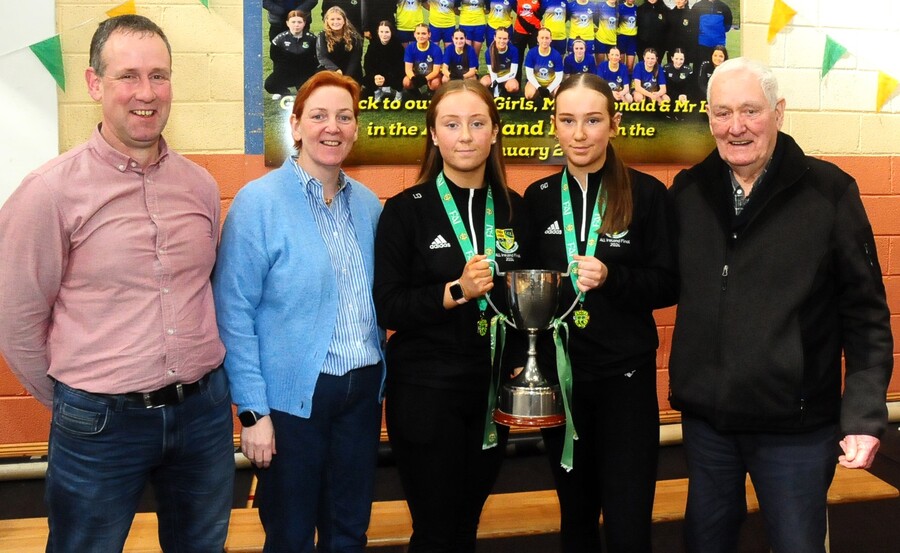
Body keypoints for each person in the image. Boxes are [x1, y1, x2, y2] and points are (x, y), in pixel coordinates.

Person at [0, 15, 233, 551]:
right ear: (93, 84)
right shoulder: (49, 192)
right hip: (100, 426)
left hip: (202, 417)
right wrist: (75, 403)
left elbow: (206, 290)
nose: (146, 93)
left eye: (159, 75)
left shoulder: (199, 186)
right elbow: (17, 324)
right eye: (128, 76)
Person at [669, 57, 894, 553]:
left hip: (797, 429)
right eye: (722, 113)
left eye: (750, 111)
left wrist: (863, 414)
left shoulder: (830, 192)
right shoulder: (688, 192)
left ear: (779, 112)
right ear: (708, 119)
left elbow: (866, 315)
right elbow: (658, 281)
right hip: (710, 426)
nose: (736, 126)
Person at [213, 71, 385, 552]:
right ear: (296, 126)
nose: (333, 127)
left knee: (348, 532)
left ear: (355, 129)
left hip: (361, 395)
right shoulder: (258, 204)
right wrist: (252, 413)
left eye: (344, 117)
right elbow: (233, 313)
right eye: (319, 116)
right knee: (290, 536)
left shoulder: (368, 206)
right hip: (292, 404)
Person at [373, 79, 530, 552]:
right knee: (436, 530)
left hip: (489, 395)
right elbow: (389, 304)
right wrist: (455, 291)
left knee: (466, 526)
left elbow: (530, 300)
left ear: (495, 133)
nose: (465, 136)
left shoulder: (513, 209)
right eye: (452, 124)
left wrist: (523, 353)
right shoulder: (404, 211)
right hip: (426, 392)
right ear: (434, 135)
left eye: (477, 123)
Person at [524, 72, 678, 553]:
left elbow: (669, 283)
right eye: (568, 120)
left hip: (624, 380)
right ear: (554, 125)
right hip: (563, 384)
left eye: (592, 120)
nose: (579, 133)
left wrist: (614, 277)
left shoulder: (647, 194)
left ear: (614, 123)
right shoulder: (538, 199)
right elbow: (527, 293)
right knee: (576, 517)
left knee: (630, 520)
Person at [265, 9, 319, 100]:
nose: (296, 25)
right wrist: (281, 72)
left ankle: (301, 87)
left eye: (299, 22)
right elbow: (274, 57)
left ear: (304, 23)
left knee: (306, 91)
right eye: (293, 22)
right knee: (269, 85)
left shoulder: (312, 39)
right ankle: (283, 91)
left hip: (304, 71)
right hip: (286, 71)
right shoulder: (279, 40)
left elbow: (316, 57)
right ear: (287, 23)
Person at [316, 6, 364, 84]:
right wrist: (336, 70)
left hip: (351, 71)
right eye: (332, 19)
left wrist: (346, 77)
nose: (336, 22)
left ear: (344, 21)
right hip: (330, 69)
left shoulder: (355, 37)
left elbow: (355, 59)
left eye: (338, 19)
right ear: (327, 21)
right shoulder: (322, 36)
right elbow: (322, 57)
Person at [364, 20, 406, 101]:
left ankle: (398, 92)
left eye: (387, 32)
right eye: (381, 32)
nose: (384, 34)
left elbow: (400, 66)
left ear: (391, 32)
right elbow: (367, 65)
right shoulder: (373, 46)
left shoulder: (397, 46)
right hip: (378, 74)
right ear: (378, 33)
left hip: (392, 74)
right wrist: (375, 76)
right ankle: (377, 92)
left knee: (401, 75)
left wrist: (387, 77)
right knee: (366, 78)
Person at [524, 27, 564, 100]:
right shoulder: (531, 53)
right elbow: (529, 74)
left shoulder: (556, 55)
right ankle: (538, 93)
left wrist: (549, 89)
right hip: (536, 82)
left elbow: (559, 77)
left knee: (559, 95)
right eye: (542, 38)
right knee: (529, 95)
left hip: (550, 82)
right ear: (538, 39)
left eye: (547, 38)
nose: (544, 41)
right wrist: (539, 88)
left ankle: (549, 94)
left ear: (551, 39)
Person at [403, 23, 444, 95]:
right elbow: (408, 69)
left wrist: (425, 79)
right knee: (406, 82)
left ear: (429, 34)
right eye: (418, 33)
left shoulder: (436, 49)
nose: (420, 36)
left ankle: (431, 92)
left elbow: (436, 71)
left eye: (423, 33)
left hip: (431, 75)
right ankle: (416, 94)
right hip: (416, 75)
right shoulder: (410, 48)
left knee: (435, 83)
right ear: (414, 34)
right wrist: (413, 79)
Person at [480, 26, 521, 96]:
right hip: (493, 76)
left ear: (508, 39)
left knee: (514, 87)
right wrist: (496, 94)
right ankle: (493, 90)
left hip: (507, 76)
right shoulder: (489, 52)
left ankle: (504, 89)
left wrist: (498, 81)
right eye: (499, 38)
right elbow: (493, 74)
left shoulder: (513, 50)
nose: (502, 41)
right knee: (483, 83)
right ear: (494, 38)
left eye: (505, 39)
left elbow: (513, 73)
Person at [691, 0, 732, 66]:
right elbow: (692, 25)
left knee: (718, 69)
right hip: (702, 45)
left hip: (718, 45)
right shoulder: (698, 6)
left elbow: (727, 26)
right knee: (701, 69)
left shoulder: (724, 7)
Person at [512, 0, 544, 82]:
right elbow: (514, 7)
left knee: (535, 58)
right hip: (519, 31)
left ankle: (531, 83)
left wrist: (534, 22)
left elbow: (542, 11)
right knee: (517, 58)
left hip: (534, 32)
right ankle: (516, 82)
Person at [636, 0, 670, 65]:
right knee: (643, 65)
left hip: (659, 46)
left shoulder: (665, 10)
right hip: (643, 45)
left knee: (656, 66)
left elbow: (667, 29)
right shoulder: (640, 9)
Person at [667, 0, 697, 68]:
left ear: (686, 1)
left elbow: (694, 34)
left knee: (684, 71)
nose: (678, 1)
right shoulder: (670, 13)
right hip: (672, 49)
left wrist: (692, 50)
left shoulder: (691, 14)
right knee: (671, 70)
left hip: (686, 50)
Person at [616, 0, 639, 71]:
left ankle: (628, 81)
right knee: (621, 65)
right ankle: (620, 81)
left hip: (632, 39)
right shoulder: (620, 7)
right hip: (622, 37)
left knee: (630, 66)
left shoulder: (636, 8)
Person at [594, 0, 619, 65]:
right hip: (600, 40)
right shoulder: (600, 5)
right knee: (600, 65)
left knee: (613, 65)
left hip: (612, 41)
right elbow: (594, 18)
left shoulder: (619, 8)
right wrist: (596, 28)